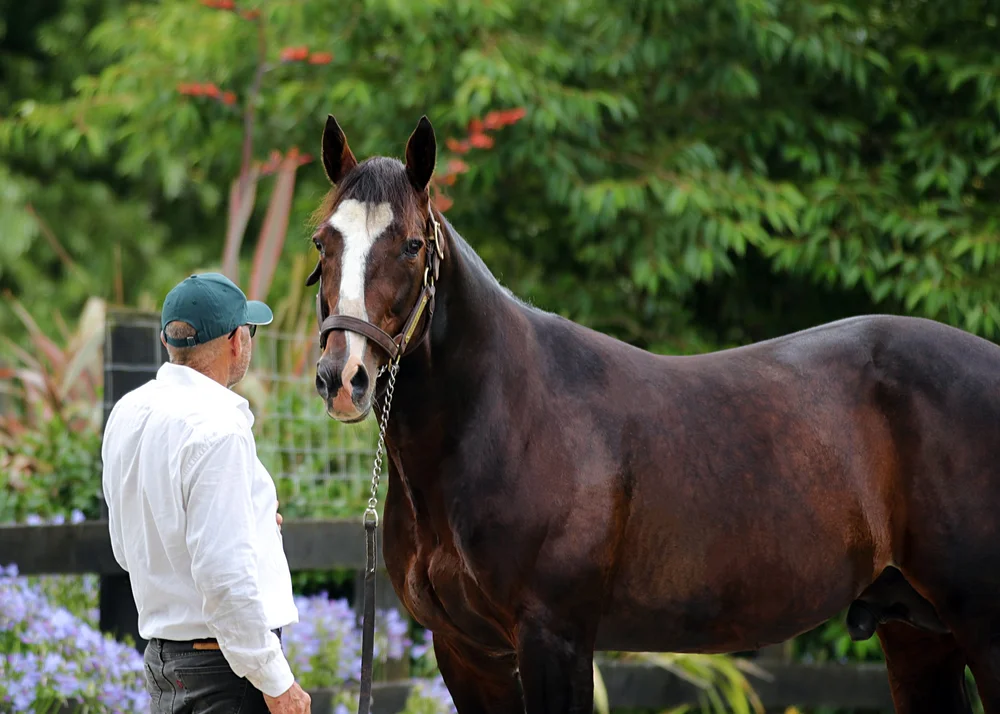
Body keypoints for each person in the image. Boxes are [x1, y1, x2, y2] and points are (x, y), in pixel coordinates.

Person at [101, 272, 311, 713]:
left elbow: (127, 548)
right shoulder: (219, 427)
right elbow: (225, 576)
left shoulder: (128, 412)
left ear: (167, 341)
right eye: (249, 331)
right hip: (226, 673)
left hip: (166, 662)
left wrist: (248, 524)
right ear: (237, 340)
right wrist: (276, 682)